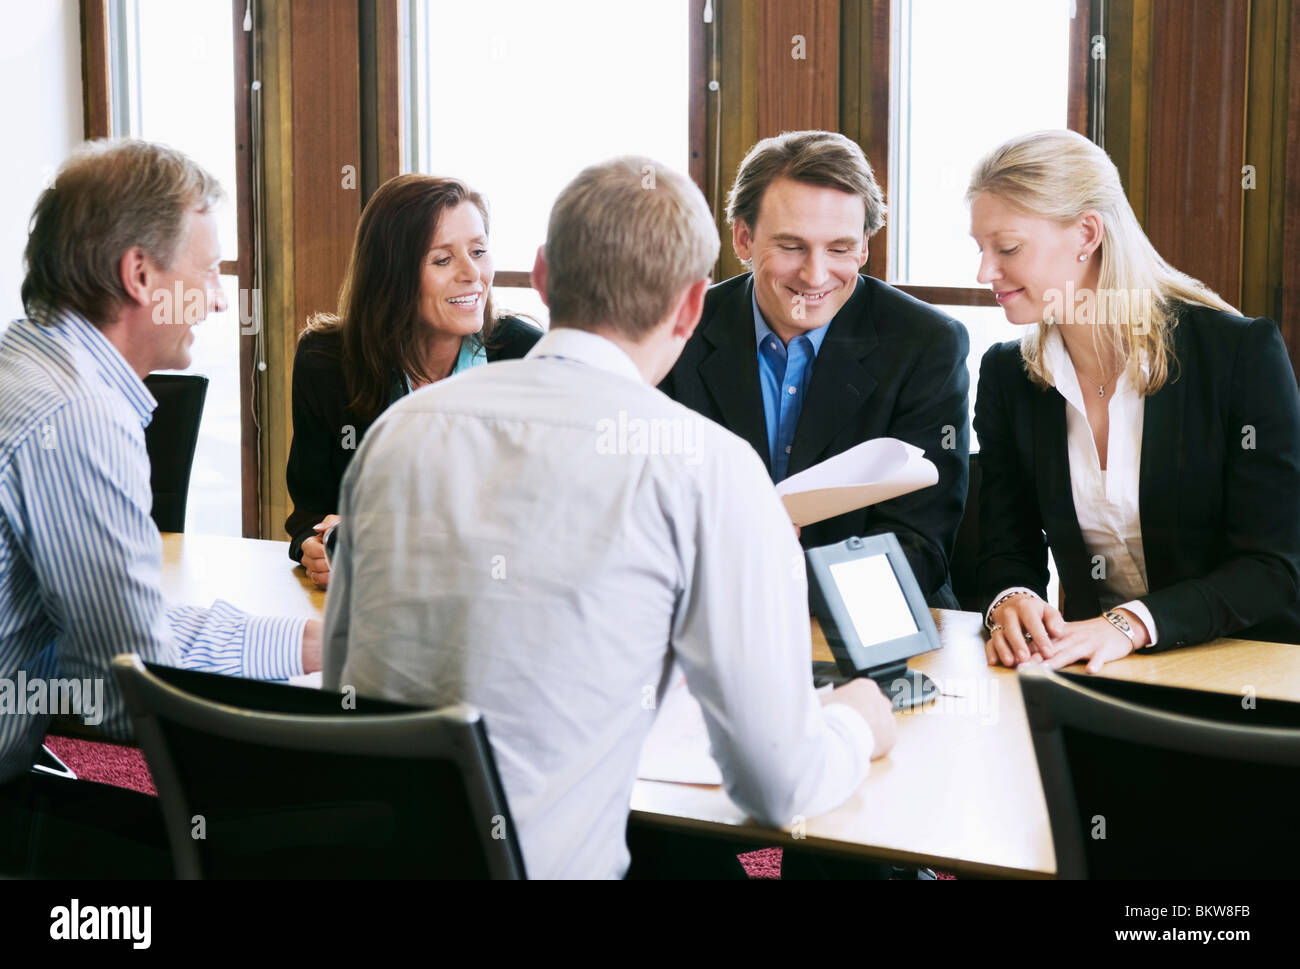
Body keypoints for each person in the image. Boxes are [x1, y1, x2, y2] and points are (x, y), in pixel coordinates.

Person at [322, 156, 896, 880]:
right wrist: (854, 720)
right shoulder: (708, 466)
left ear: (540, 275)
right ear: (692, 306)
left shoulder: (397, 432)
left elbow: (341, 692)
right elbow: (778, 788)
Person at [0, 140, 320, 876]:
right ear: (140, 275)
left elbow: (132, 636)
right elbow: (129, 687)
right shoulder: (77, 414)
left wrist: (307, 643)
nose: (216, 297)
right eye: (208, 272)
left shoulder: (32, 361)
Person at [970, 129, 1300, 673]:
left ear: (1087, 233)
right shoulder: (1007, 374)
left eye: (1007, 248)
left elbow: (1273, 567)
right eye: (980, 249)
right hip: (1088, 675)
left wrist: (1127, 624)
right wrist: (1011, 598)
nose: (985, 272)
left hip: (1244, 673)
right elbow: (1007, 547)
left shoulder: (1238, 354)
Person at [659, 130, 970, 608]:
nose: (815, 275)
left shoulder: (927, 344)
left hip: (877, 625)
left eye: (840, 249)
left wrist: (761, 575)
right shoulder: (676, 331)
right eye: (791, 246)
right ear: (743, 237)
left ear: (865, 247)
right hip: (705, 618)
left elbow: (919, 548)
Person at [285, 174, 541, 588]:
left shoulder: (522, 356)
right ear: (391, 274)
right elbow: (312, 510)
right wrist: (319, 546)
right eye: (443, 260)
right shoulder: (326, 361)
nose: (472, 274)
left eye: (478, 251)